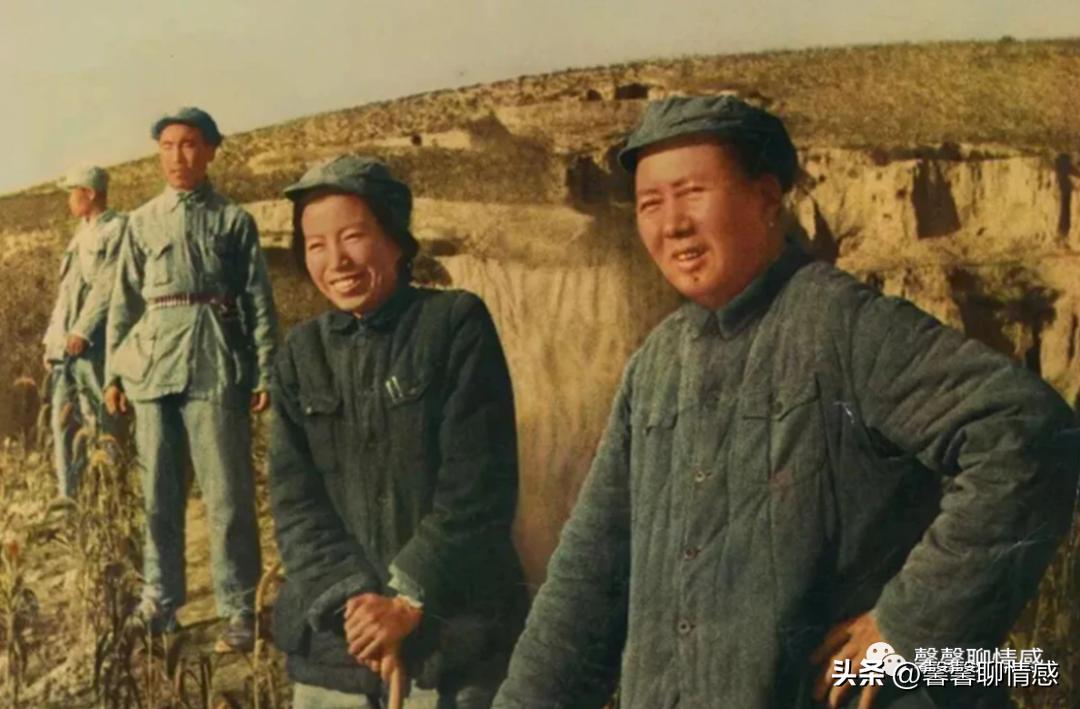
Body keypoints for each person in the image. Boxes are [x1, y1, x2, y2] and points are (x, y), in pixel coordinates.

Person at [492, 96, 1079, 709]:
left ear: (767, 199)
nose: (672, 225)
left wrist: (912, 628)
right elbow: (588, 581)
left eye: (692, 192)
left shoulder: (839, 324)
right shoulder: (656, 365)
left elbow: (1026, 431)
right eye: (650, 204)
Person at [269, 155, 526, 709]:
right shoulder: (298, 355)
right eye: (315, 244)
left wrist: (407, 601)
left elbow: (477, 489)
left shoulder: (455, 325)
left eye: (354, 236)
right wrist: (358, 607)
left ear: (395, 239)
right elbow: (296, 505)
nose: (335, 260)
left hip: (452, 638)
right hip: (340, 650)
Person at [104, 106, 278, 651]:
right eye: (167, 145)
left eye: (189, 145)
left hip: (214, 361)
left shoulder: (233, 221)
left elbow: (258, 301)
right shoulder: (140, 221)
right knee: (158, 491)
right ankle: (160, 600)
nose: (177, 157)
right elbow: (123, 302)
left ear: (209, 152)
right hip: (152, 366)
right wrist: (113, 371)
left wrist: (264, 368)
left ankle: (237, 608)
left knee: (226, 494)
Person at [42, 165, 126, 500]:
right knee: (62, 423)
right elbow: (67, 294)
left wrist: (83, 330)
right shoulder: (80, 235)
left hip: (93, 344)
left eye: (73, 191)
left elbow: (107, 286)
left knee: (103, 417)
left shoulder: (117, 229)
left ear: (89, 193)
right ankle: (70, 496)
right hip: (65, 348)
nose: (69, 199)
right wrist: (52, 342)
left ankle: (113, 490)